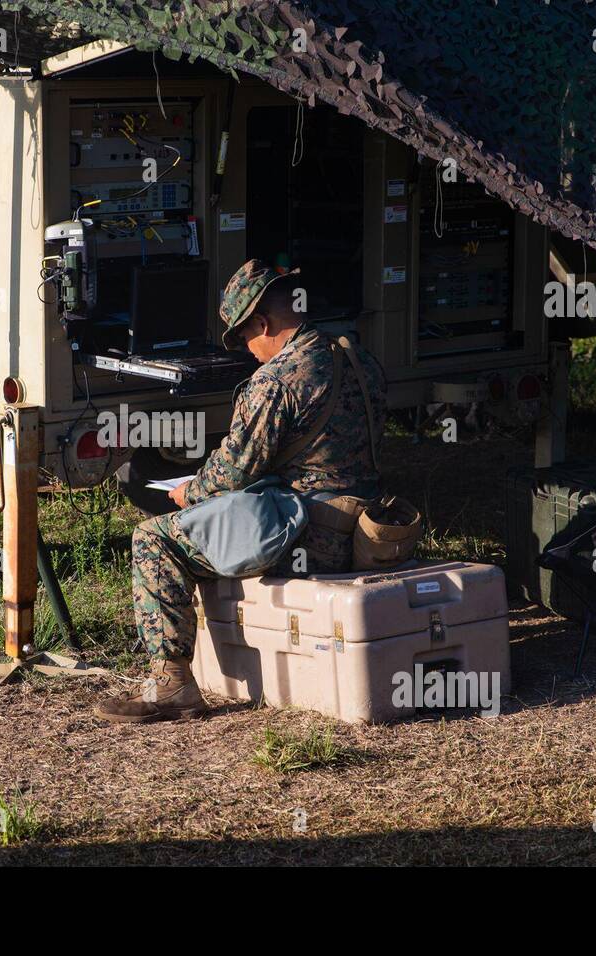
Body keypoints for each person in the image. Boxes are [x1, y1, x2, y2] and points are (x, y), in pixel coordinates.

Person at [95, 259, 387, 724]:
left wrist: (189, 491)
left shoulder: (275, 382)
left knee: (154, 539)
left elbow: (231, 474)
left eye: (244, 337)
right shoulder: (357, 357)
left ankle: (172, 684)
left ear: (263, 323)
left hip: (310, 538)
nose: (248, 351)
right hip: (369, 534)